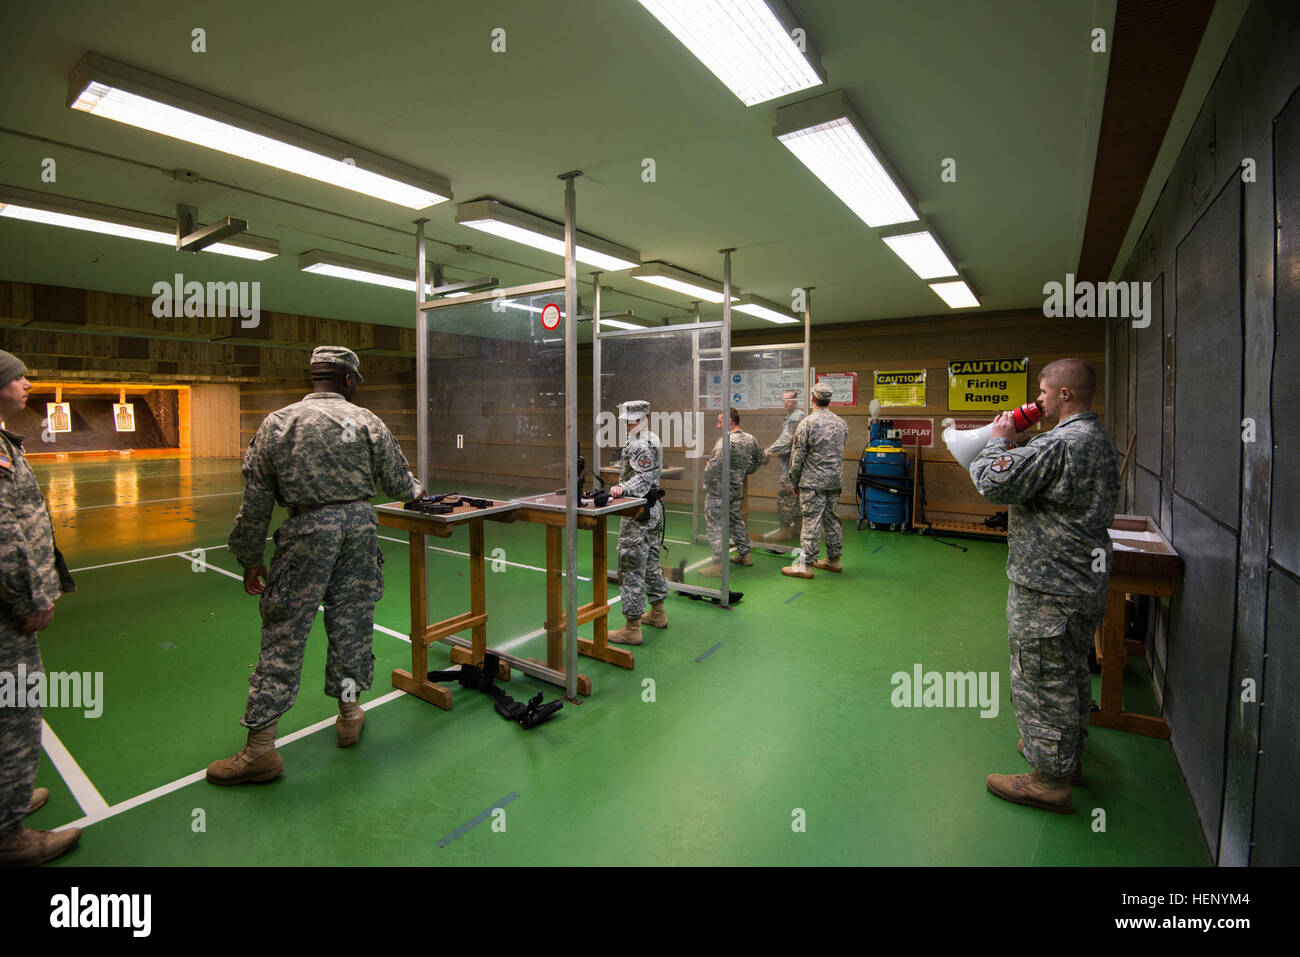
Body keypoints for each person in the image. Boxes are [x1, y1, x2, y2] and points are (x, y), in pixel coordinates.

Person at [207, 346, 423, 786]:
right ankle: (348, 715)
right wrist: (422, 490)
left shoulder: (278, 423)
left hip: (307, 531)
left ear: (315, 379)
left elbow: (256, 502)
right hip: (360, 531)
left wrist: (251, 557)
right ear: (349, 380)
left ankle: (261, 750)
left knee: (284, 636)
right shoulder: (368, 422)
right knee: (352, 627)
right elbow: (402, 485)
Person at [970, 358, 1119, 814]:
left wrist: (999, 441)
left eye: (1044, 391)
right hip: (1082, 581)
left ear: (1065, 395)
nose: (1039, 399)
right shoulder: (1097, 440)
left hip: (1048, 585)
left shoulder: (1061, 443)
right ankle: (1065, 757)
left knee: (1039, 675)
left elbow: (993, 480)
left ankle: (1048, 780)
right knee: (1071, 671)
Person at [0, 350, 80, 866]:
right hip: (7, 610)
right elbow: (5, 537)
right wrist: (30, 597)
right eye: (17, 377)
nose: (27, 383)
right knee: (15, 710)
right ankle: (8, 834)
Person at [607, 400, 667, 646]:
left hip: (638, 511)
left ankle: (632, 628)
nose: (625, 426)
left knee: (630, 564)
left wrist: (621, 487)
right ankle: (658, 612)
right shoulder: (651, 437)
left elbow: (642, 478)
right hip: (653, 510)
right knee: (651, 560)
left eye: (628, 421)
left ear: (637, 419)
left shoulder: (640, 443)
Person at [782, 380, 849, 578]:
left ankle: (806, 565)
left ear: (813, 398)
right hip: (834, 481)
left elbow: (798, 456)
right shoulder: (841, 423)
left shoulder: (807, 423)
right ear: (829, 400)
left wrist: (794, 480)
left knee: (811, 521)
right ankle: (834, 560)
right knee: (831, 519)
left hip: (812, 483)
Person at [700, 408, 764, 575]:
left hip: (719, 489)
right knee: (736, 520)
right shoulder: (751, 439)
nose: (718, 425)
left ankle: (718, 564)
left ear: (729, 421)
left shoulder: (725, 441)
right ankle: (745, 555)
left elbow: (713, 466)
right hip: (736, 487)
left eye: (720, 422)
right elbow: (760, 458)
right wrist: (745, 471)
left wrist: (707, 480)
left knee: (714, 524)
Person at [764, 389, 805, 541]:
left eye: (789, 400)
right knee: (795, 495)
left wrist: (768, 451)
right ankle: (798, 527)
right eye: (784, 400)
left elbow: (787, 438)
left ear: (796, 400)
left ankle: (785, 529)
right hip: (793, 463)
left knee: (785, 494)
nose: (786, 403)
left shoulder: (796, 416)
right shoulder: (790, 417)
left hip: (791, 464)